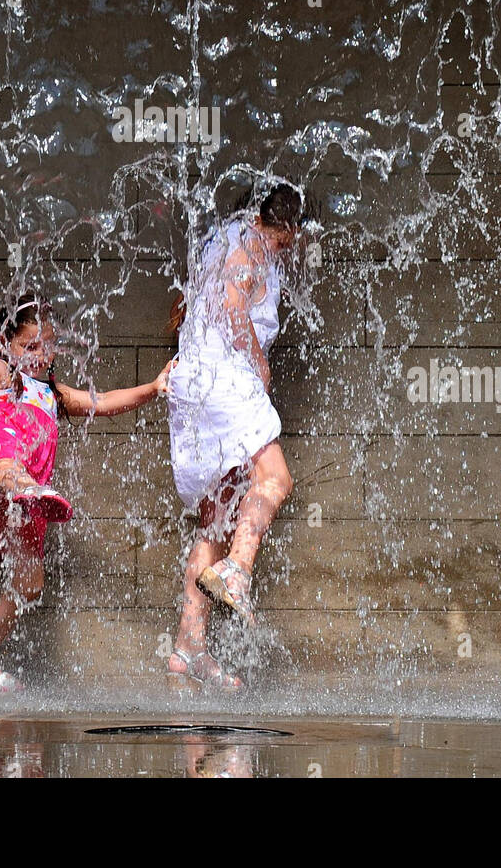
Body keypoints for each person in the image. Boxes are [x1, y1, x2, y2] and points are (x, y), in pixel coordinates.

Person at [0, 293, 173, 691]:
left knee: (29, 580)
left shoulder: (54, 394)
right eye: (29, 346)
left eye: (47, 346)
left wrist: (154, 388)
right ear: (5, 344)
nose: (39, 354)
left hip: (15, 497)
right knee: (8, 463)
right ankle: (24, 487)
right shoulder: (2, 373)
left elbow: (102, 403)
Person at [164, 184, 303, 688]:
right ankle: (237, 569)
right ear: (272, 224)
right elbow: (230, 303)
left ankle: (189, 647)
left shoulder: (223, 240)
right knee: (276, 478)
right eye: (285, 239)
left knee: (215, 520)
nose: (287, 249)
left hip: (194, 386)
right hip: (226, 380)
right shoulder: (247, 248)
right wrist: (260, 363)